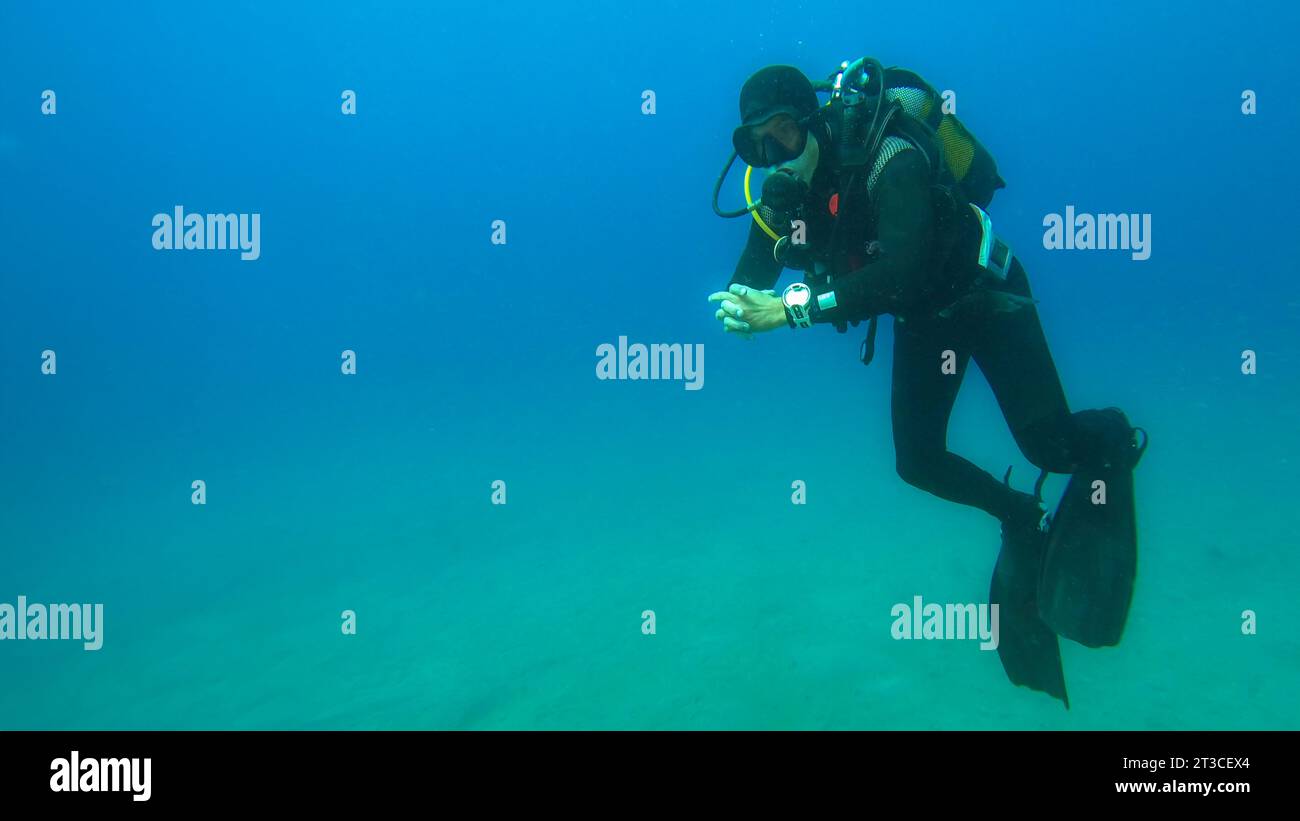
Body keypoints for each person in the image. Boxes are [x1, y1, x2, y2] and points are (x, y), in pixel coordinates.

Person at [708, 62, 1147, 707]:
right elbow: (757, 271)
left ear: (813, 124)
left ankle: (1109, 438)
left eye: (784, 136)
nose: (773, 154)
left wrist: (793, 310)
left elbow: (905, 268)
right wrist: (744, 306)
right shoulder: (782, 192)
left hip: (984, 293)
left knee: (1047, 447)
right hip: (924, 316)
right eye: (756, 144)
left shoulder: (889, 155)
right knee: (917, 461)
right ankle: (1021, 516)